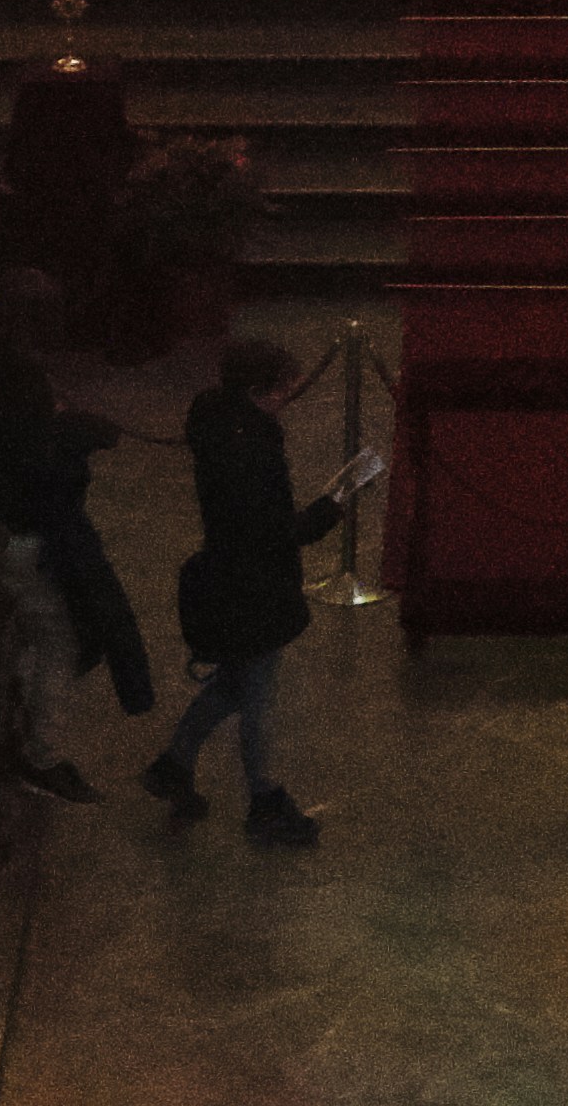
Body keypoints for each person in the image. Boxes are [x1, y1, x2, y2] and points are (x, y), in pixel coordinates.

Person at [142, 333, 372, 849]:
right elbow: (275, 532)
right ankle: (263, 803)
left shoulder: (215, 421)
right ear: (255, 391)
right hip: (255, 591)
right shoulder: (253, 450)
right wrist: (335, 504)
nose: (287, 398)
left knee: (233, 684)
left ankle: (174, 765)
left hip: (226, 577)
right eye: (281, 391)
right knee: (257, 701)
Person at [0, 266, 138, 797]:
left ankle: (15, 720)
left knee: (30, 635)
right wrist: (81, 445)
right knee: (62, 640)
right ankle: (40, 754)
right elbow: (35, 472)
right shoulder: (25, 383)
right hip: (23, 534)